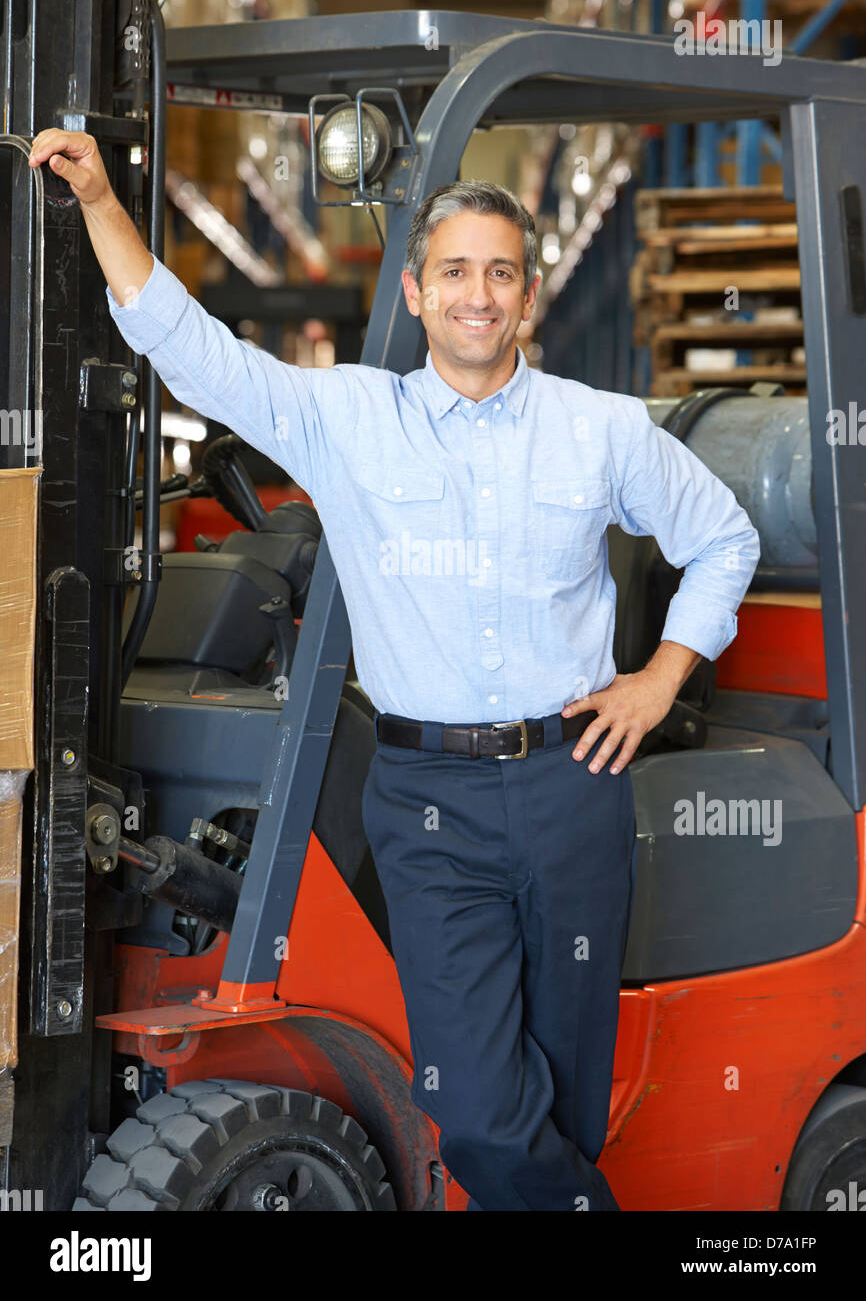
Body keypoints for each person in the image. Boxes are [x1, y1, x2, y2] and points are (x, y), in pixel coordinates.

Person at [29, 129, 761, 1211]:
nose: (478, 294)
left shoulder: (600, 432)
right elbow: (196, 356)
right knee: (472, 1108)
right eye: (455, 272)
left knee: (562, 1097)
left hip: (572, 784)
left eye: (500, 272)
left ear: (528, 295)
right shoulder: (348, 422)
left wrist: (658, 678)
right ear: (415, 292)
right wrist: (100, 202)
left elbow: (724, 536)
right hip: (430, 804)